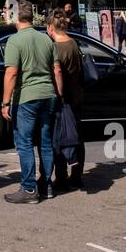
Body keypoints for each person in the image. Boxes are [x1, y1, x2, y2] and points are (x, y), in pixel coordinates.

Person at [1, 2, 61, 204]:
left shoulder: (15, 41)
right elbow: (56, 70)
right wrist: (58, 94)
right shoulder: (46, 39)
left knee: (24, 142)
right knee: (45, 143)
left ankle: (28, 188)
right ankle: (46, 185)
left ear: (16, 18)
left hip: (27, 96)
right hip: (48, 94)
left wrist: (5, 102)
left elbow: (11, 72)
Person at [48, 11, 86, 192]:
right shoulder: (73, 43)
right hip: (77, 95)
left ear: (50, 27)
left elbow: (57, 73)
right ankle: (77, 174)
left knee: (59, 137)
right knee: (75, 134)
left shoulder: (55, 47)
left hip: (62, 97)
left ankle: (61, 177)